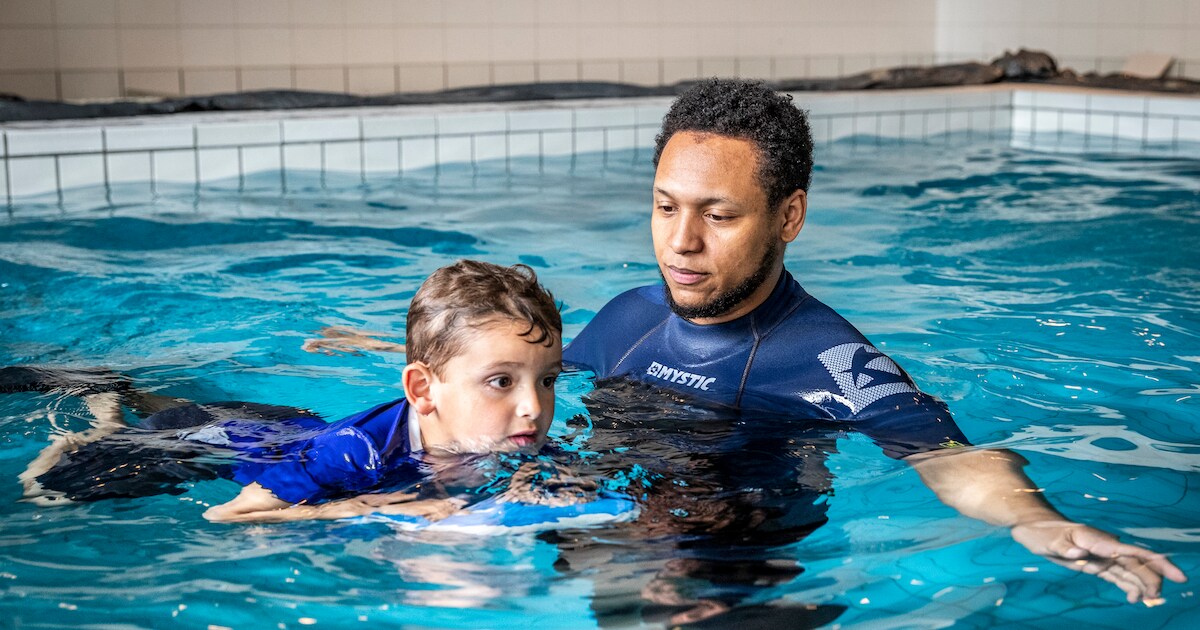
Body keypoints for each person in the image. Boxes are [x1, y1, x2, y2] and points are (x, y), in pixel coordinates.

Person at [560, 78, 1185, 607]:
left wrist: (1036, 521)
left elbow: (945, 455)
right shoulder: (625, 317)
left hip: (728, 574)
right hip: (599, 534)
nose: (681, 242)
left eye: (718, 216)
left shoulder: (826, 358)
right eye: (665, 208)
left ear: (790, 217)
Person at [9, 260, 565, 524]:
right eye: (501, 381)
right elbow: (230, 516)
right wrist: (364, 507)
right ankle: (100, 409)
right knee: (47, 490)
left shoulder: (512, 435)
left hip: (281, 423)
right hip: (207, 442)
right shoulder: (355, 454)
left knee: (186, 411)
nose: (533, 407)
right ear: (424, 389)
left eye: (547, 380)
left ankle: (124, 394)